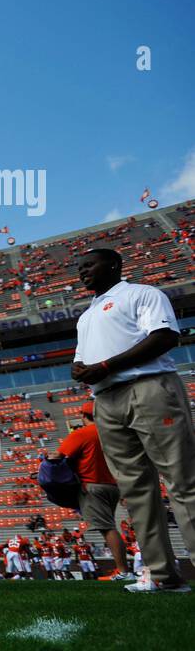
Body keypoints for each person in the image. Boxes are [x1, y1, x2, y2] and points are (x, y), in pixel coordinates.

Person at [71, 247, 194, 593]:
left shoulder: (141, 293)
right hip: (106, 399)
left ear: (113, 264)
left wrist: (106, 366)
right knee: (137, 490)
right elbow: (83, 359)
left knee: (182, 480)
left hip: (149, 387)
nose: (82, 271)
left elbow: (165, 336)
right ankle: (162, 575)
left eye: (88, 264)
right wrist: (80, 369)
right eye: (79, 267)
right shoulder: (86, 316)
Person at [56, 400, 132, 581]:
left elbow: (59, 456)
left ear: (84, 416)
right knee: (109, 526)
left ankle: (123, 571)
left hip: (92, 486)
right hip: (113, 485)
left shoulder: (82, 433)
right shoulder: (111, 432)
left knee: (107, 528)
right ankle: (122, 570)